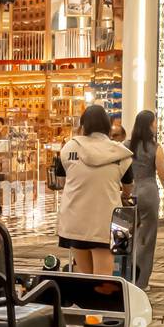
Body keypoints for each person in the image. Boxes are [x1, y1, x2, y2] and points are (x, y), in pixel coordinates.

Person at [54, 105, 134, 275]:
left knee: (83, 275)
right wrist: (123, 194)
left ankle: (85, 302)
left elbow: (61, 176)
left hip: (75, 218)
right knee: (104, 278)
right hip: (108, 220)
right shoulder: (122, 153)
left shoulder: (69, 148)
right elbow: (128, 187)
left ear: (83, 126)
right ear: (107, 126)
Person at [126, 109, 164, 288]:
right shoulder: (155, 148)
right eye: (154, 122)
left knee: (128, 237)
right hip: (148, 192)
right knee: (146, 238)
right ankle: (141, 281)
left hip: (130, 192)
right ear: (148, 125)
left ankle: (126, 276)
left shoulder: (126, 146)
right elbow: (162, 174)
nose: (156, 126)